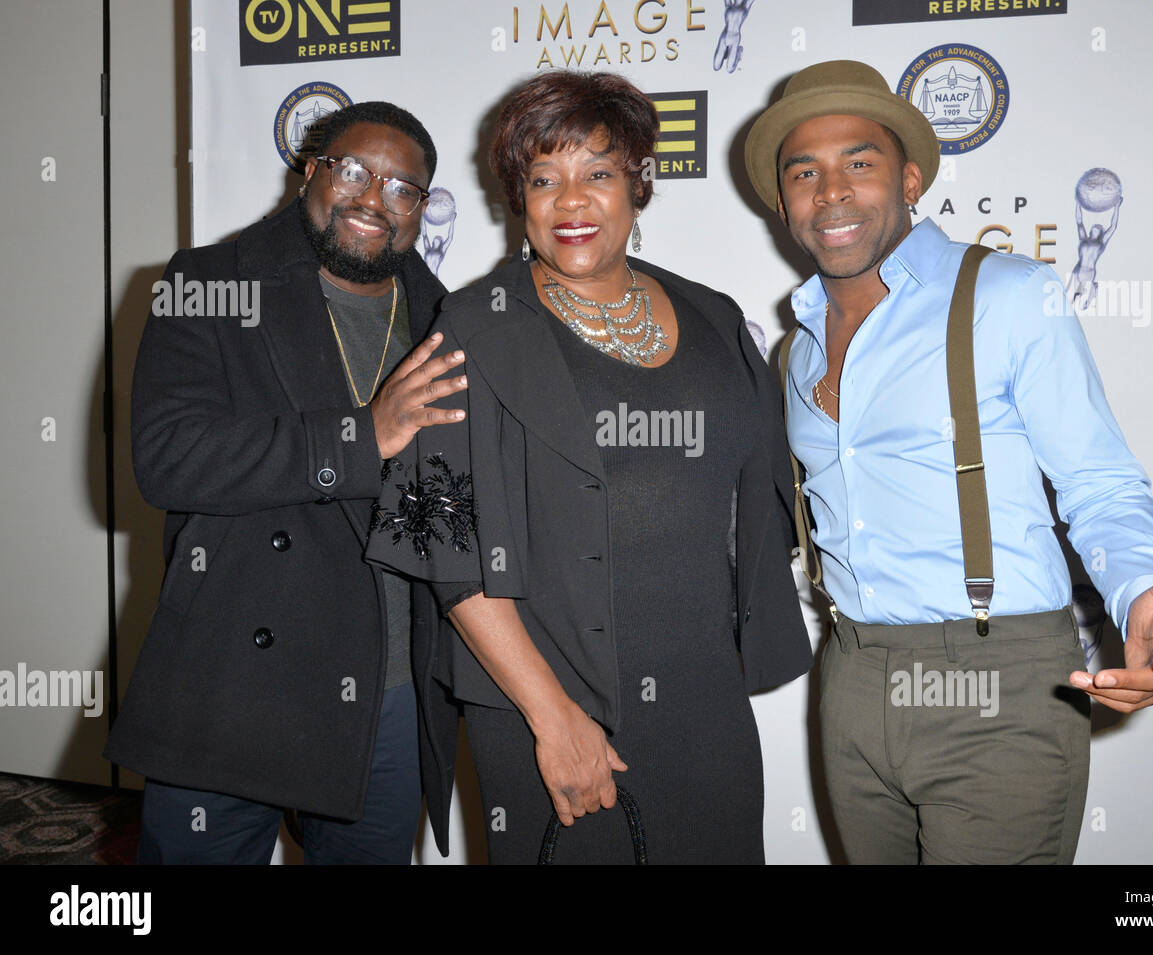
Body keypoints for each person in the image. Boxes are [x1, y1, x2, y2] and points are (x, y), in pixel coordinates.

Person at [743, 60, 1153, 864]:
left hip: (998, 684)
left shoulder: (1011, 295)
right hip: (850, 680)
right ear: (784, 203)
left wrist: (1141, 593)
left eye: (860, 161)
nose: (832, 191)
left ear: (910, 178)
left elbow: (1099, 483)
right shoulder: (793, 348)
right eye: (804, 172)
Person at [366, 71, 811, 864]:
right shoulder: (473, 327)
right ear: (518, 198)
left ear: (638, 185)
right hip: (552, 710)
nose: (571, 201)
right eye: (544, 179)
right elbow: (441, 542)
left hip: (702, 705)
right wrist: (555, 718)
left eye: (597, 173)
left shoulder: (713, 317)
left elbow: (759, 498)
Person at [106, 101, 469, 864]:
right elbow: (167, 457)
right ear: (312, 171)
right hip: (235, 676)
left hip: (388, 687)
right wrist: (362, 435)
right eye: (355, 171)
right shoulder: (205, 280)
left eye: (404, 187)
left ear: (420, 210)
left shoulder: (449, 321)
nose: (375, 198)